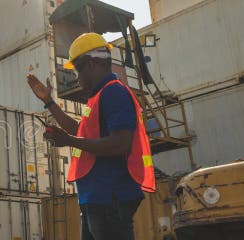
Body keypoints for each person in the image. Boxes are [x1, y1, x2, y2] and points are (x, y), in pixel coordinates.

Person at [26, 33, 155, 240]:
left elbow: (120, 144)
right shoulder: (99, 96)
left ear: (92, 63)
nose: (77, 77)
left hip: (110, 196)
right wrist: (49, 101)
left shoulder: (114, 93)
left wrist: (67, 141)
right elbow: (79, 131)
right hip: (96, 197)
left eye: (78, 70)